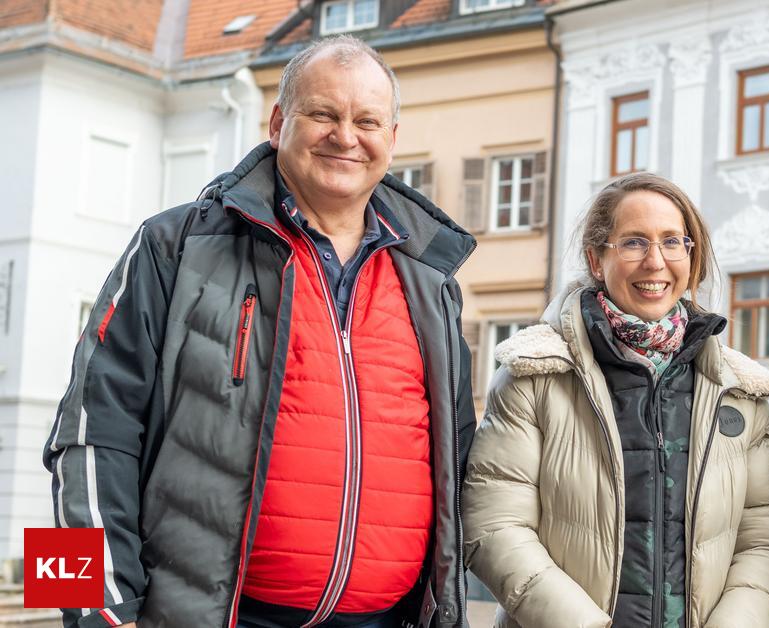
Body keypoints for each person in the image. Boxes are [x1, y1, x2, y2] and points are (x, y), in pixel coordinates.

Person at [43, 36, 477, 628]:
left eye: (367, 120)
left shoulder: (432, 281)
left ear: (392, 140)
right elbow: (84, 438)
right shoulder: (175, 246)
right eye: (323, 113)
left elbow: (456, 464)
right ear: (278, 123)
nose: (345, 137)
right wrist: (91, 615)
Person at [462, 173, 769, 628]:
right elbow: (496, 526)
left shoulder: (737, 389)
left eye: (673, 241)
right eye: (634, 242)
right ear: (596, 259)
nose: (655, 261)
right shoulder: (535, 373)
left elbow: (765, 534)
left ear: (691, 257)